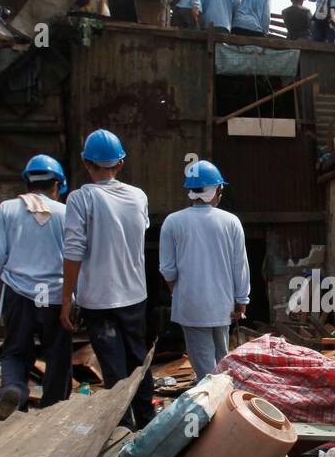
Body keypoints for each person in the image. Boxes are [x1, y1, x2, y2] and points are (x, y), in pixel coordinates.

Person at [61, 129, 154, 428]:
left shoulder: (80, 199)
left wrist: (66, 299)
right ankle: (148, 422)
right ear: (121, 163)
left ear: (86, 162)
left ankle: (123, 429)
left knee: (114, 368)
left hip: (99, 300)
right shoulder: (138, 196)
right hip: (134, 296)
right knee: (139, 363)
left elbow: (73, 251)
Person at [0, 155, 71, 420]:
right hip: (54, 295)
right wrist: (73, 298)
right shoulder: (66, 213)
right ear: (57, 185)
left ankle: (12, 390)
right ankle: (54, 411)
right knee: (58, 357)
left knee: (15, 351)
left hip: (18, 293)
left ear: (28, 182)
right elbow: (76, 258)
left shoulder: (7, 209)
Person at [159, 160, 250, 379]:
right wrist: (242, 300)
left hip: (190, 307)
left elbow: (168, 270)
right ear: (217, 190)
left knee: (205, 371)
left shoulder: (172, 222)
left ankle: (217, 409)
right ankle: (225, 408)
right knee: (222, 362)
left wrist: (179, 293)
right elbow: (240, 265)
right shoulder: (231, 222)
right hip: (223, 306)